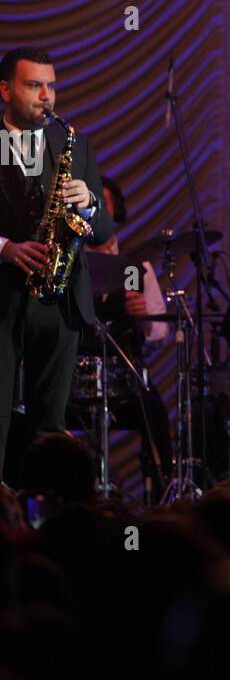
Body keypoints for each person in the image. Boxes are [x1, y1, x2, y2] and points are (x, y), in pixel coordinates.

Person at [0, 47, 113, 482]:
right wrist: (6, 247)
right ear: (5, 90)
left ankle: (51, 527)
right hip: (3, 297)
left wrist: (88, 207)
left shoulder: (75, 144)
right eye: (34, 85)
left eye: (51, 86)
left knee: (52, 425)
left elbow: (102, 232)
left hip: (58, 298)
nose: (46, 95)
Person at [81, 174, 173, 499]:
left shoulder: (134, 267)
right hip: (76, 382)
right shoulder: (70, 265)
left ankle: (161, 495)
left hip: (124, 383)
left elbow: (159, 333)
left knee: (154, 412)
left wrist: (143, 313)